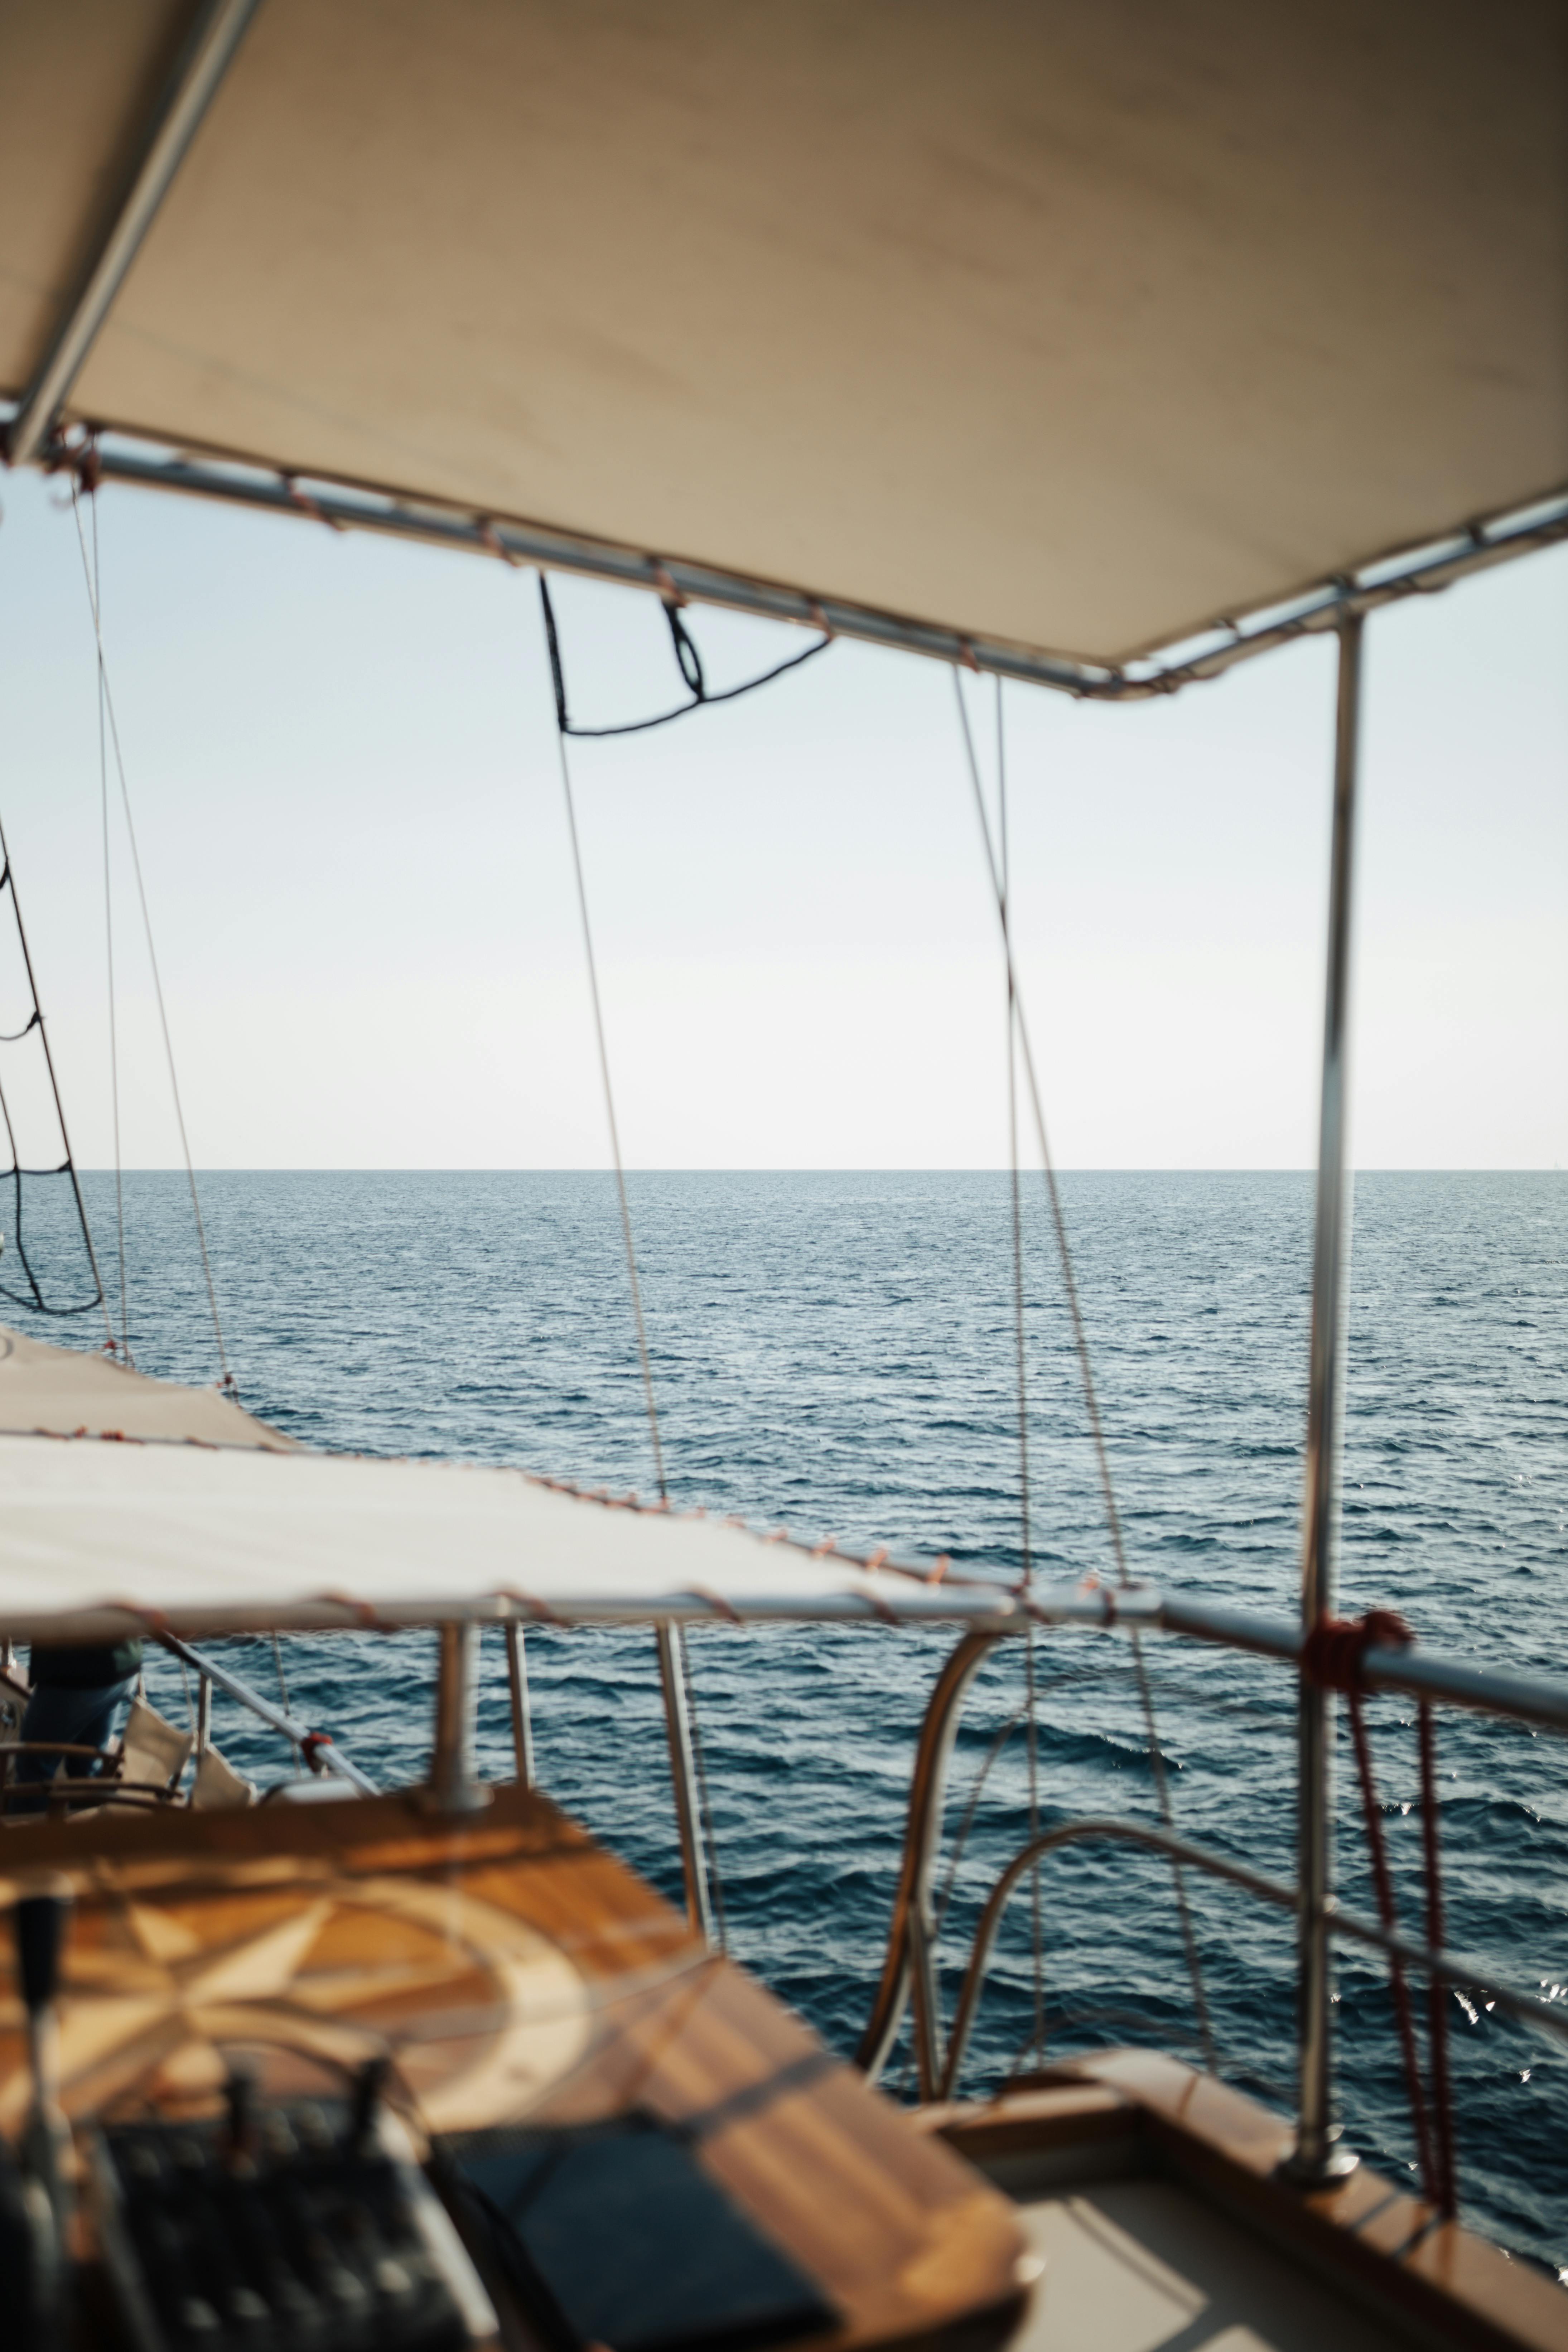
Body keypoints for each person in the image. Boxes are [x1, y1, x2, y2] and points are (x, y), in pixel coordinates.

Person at [15, 1639, 143, 1798]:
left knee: (33, 1769)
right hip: (124, 1665)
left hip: (75, 1673)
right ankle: (83, 1819)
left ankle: (27, 1822)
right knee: (86, 1767)